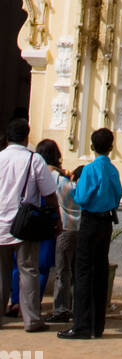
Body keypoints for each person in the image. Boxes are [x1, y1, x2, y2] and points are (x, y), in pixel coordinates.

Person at [57, 127, 122, 341]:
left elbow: (82, 197)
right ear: (111, 147)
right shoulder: (113, 170)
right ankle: (97, 325)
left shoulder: (89, 170)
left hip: (91, 221)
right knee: (100, 271)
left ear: (92, 147)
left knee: (83, 272)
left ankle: (81, 325)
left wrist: (75, 189)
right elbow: (118, 194)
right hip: (106, 222)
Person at [0, 117, 60, 333]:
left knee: (2, 272)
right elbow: (50, 194)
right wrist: (56, 219)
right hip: (25, 225)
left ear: (8, 138)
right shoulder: (34, 160)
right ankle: (32, 319)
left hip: (0, 224)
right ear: (26, 138)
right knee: (28, 271)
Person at [44, 149, 81, 324]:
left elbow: (51, 173)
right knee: (76, 271)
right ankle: (76, 307)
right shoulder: (81, 191)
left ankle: (61, 309)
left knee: (62, 272)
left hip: (65, 231)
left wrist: (60, 170)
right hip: (80, 231)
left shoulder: (61, 184)